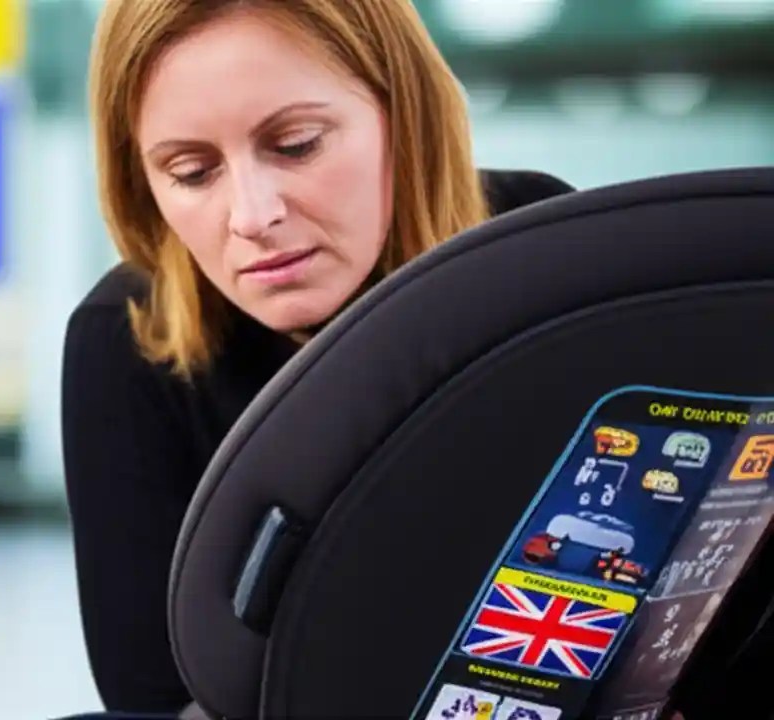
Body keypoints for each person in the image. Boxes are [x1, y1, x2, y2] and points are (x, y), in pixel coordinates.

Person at [60, 1, 575, 715]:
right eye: (190, 171)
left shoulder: (543, 252)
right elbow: (151, 695)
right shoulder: (125, 336)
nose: (251, 216)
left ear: (404, 112)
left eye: (297, 144)